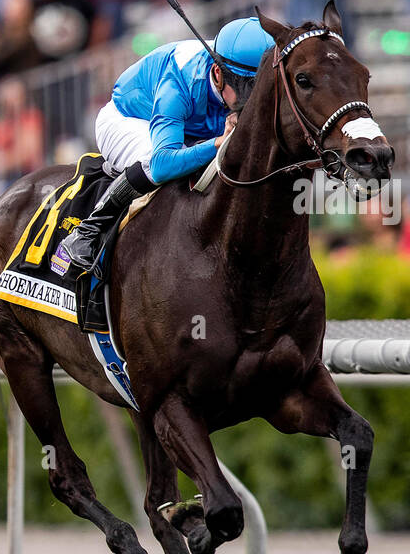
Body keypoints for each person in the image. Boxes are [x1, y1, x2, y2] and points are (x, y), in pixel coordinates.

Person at [55, 17, 275, 331]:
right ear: (217, 73)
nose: (252, 103)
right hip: (132, 119)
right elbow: (162, 162)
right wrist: (217, 143)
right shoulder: (180, 82)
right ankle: (89, 231)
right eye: (246, 93)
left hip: (189, 129)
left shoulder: (244, 65)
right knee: (161, 168)